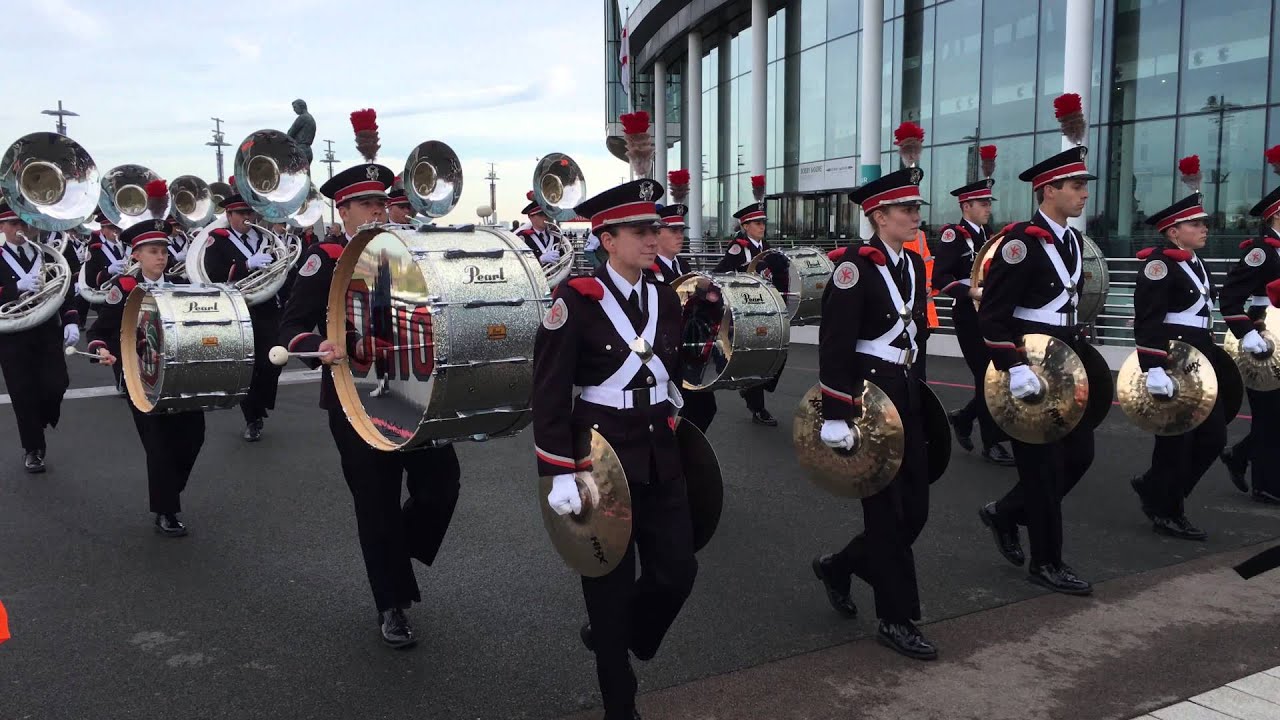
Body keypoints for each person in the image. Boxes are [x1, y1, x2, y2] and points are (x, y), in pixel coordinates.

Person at [278, 109, 460, 648]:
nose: (379, 210)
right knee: (376, 503)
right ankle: (391, 604)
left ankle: (391, 551)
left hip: (413, 390)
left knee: (441, 486)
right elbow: (292, 325)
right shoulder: (327, 257)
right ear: (344, 210)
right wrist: (317, 348)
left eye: (382, 202)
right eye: (367, 204)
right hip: (354, 397)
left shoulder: (408, 253)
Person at [535, 178, 697, 719]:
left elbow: (672, 371)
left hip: (659, 450)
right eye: (639, 231)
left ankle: (620, 636)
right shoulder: (575, 301)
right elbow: (550, 390)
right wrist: (558, 470)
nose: (653, 238)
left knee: (677, 571)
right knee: (608, 586)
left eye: (655, 229)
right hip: (600, 455)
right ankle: (618, 701)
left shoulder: (665, 298)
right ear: (607, 240)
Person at [810, 167, 936, 661]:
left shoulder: (914, 264)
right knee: (886, 515)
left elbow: (917, 335)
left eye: (917, 208)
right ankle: (895, 618)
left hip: (906, 393)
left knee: (915, 511)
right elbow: (835, 345)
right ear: (879, 216)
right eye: (907, 209)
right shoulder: (853, 268)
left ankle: (839, 566)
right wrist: (836, 413)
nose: (915, 216)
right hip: (868, 401)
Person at [976, 144, 1097, 596]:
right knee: (1042, 470)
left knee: (1079, 455)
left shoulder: (1073, 242)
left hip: (1065, 360)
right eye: (1076, 186)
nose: (1084, 194)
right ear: (1049, 190)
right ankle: (1046, 562)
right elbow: (992, 316)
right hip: (1029, 366)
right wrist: (1013, 367)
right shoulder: (1019, 244)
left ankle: (1006, 512)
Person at [88, 219, 204, 537]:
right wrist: (101, 349)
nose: (161, 257)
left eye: (164, 251)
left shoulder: (181, 284)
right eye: (153, 251)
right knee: (159, 444)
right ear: (137, 255)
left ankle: (168, 490)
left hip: (180, 374)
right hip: (141, 377)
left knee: (194, 436)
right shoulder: (125, 287)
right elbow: (100, 329)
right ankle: (167, 510)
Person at [1127, 190, 1226, 538]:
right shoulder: (1159, 265)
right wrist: (1153, 367)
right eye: (1195, 224)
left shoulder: (1195, 262)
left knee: (1213, 438)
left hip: (1201, 356)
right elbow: (1148, 319)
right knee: (1175, 442)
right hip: (1173, 359)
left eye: (1203, 223)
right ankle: (1167, 510)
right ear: (1173, 232)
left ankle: (1156, 488)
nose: (1204, 228)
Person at [932, 177, 1014, 466]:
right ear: (966, 206)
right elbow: (940, 278)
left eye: (989, 202)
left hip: (992, 313)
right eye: (983, 203)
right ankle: (992, 443)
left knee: (997, 375)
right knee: (986, 376)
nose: (988, 208)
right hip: (968, 315)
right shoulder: (953, 236)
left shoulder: (988, 234)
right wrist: (970, 291)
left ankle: (964, 418)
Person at [1217, 150, 1280, 506]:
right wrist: (1250, 335)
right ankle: (1266, 485)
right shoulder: (1261, 251)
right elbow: (1229, 298)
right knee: (1269, 413)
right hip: (1263, 336)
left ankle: (1240, 455)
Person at [0, 202, 76, 473]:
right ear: (2, 227)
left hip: (46, 331)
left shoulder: (46, 254)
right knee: (22, 393)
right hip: (12, 336)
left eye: (24, 223)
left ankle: (41, 418)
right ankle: (33, 448)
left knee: (57, 384)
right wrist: (14, 288)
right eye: (13, 224)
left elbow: (63, 286)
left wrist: (71, 320)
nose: (20, 229)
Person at [203, 192, 282, 442]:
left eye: (250, 212)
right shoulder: (218, 239)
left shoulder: (265, 238)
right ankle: (252, 418)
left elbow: (281, 268)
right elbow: (213, 273)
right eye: (241, 213)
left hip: (268, 307)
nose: (248, 217)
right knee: (249, 366)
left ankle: (260, 403)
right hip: (239, 309)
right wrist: (246, 265)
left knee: (274, 361)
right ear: (229, 215)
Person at [714, 201, 783, 426]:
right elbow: (720, 272)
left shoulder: (767, 247)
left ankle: (749, 387)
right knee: (757, 356)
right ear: (745, 226)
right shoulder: (739, 248)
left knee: (778, 353)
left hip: (767, 307)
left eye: (763, 222)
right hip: (747, 308)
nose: (762, 226)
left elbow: (779, 273)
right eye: (757, 223)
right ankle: (758, 408)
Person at [649, 204, 716, 434]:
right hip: (664, 351)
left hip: (689, 349)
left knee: (705, 408)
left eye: (681, 231)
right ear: (657, 233)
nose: (680, 236)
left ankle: (682, 448)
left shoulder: (683, 265)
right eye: (673, 231)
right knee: (678, 411)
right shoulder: (649, 270)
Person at [517, 195, 564, 267]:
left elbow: (564, 260)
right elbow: (519, 262)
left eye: (547, 214)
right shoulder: (523, 238)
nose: (545, 217)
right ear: (530, 217)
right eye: (541, 215)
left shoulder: (556, 237)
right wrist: (540, 259)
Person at [287, 99, 317, 167]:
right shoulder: (311, 118)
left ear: (301, 106)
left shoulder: (302, 117)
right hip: (308, 151)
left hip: (299, 150)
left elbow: (290, 134)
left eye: (295, 107)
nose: (294, 110)